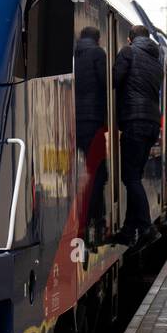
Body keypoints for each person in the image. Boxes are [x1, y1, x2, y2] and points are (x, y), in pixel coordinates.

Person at [114, 24, 164, 247]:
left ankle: (145, 227)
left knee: (130, 177)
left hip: (135, 121)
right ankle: (128, 230)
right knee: (135, 175)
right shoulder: (156, 62)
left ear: (130, 39)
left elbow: (114, 80)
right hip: (152, 124)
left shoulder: (128, 52)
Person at [74, 26, 109, 244]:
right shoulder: (98, 54)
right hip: (93, 121)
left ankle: (88, 218)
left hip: (73, 121)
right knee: (98, 173)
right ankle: (93, 219)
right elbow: (106, 83)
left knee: (84, 173)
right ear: (97, 39)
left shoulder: (73, 55)